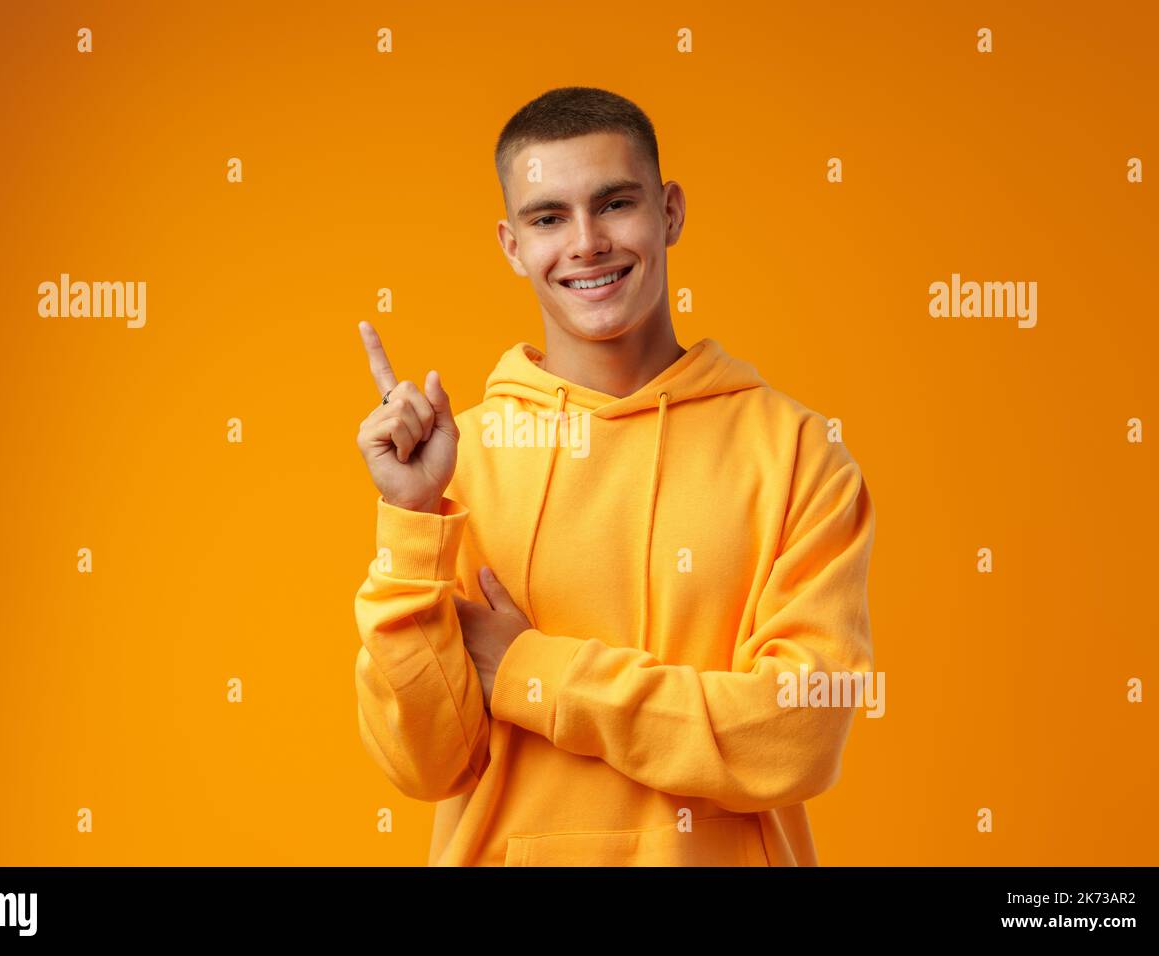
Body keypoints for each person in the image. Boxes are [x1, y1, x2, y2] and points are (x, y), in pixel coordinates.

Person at [353, 86, 876, 866]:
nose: (587, 243)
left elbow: (796, 735)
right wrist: (414, 518)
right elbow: (424, 765)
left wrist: (532, 670)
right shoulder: (462, 463)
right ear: (511, 245)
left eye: (615, 203)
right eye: (548, 217)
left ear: (669, 212)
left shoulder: (795, 450)